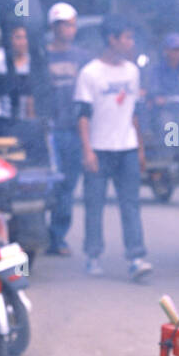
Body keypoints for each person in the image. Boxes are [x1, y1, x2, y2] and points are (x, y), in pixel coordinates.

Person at [74, 14, 152, 280]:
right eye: (127, 37)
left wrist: (140, 148)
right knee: (94, 205)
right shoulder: (90, 73)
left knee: (130, 204)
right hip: (99, 148)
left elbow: (135, 113)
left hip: (127, 148)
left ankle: (136, 257)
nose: (131, 43)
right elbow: (82, 115)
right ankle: (93, 255)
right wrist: (87, 150)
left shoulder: (132, 71)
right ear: (112, 39)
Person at [43, 2, 90, 255]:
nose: (68, 29)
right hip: (49, 129)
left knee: (68, 186)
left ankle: (58, 237)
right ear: (53, 27)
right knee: (46, 184)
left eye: (71, 24)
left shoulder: (82, 58)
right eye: (63, 25)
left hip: (73, 130)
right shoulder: (42, 56)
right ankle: (39, 234)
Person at [0, 24, 32, 119]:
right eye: (18, 37)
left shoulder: (32, 63)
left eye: (25, 38)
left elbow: (30, 100)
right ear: (10, 39)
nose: (22, 42)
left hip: (22, 119)